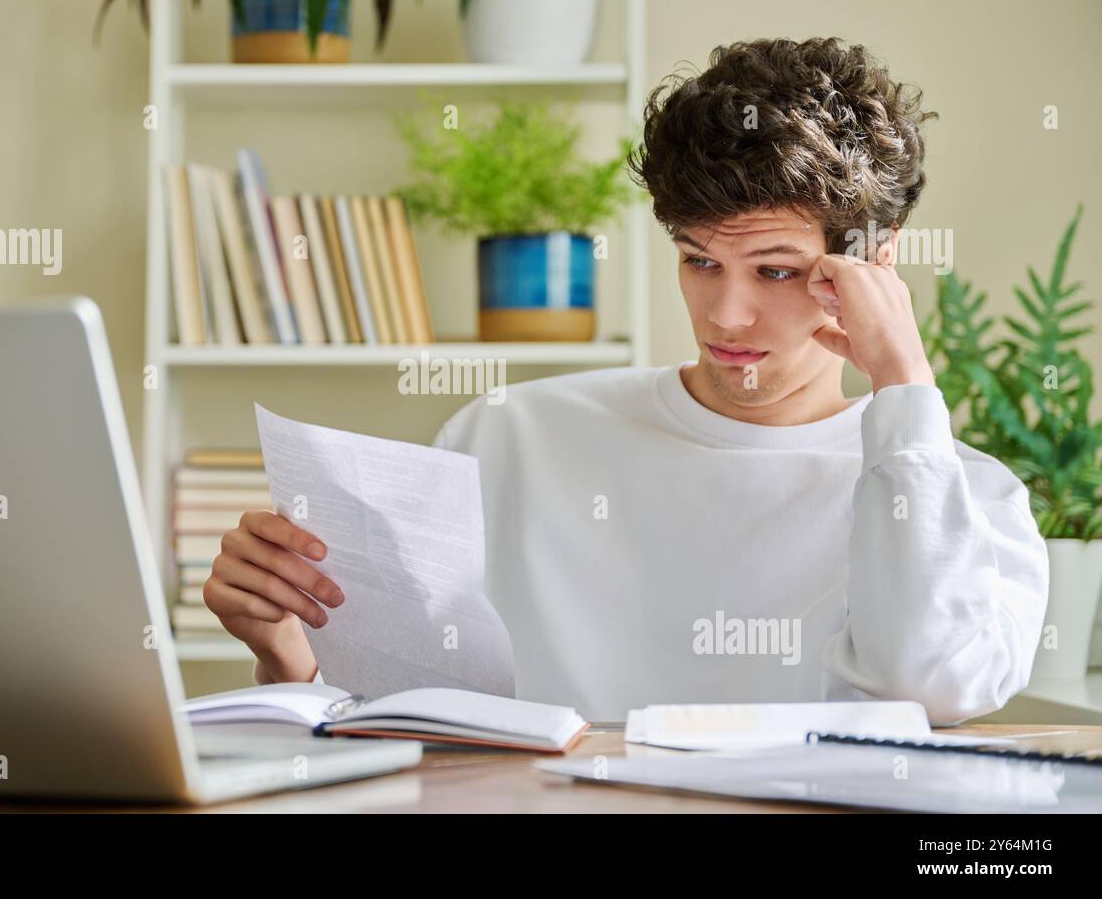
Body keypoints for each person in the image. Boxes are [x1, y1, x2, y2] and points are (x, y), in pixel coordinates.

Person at [202, 37, 1049, 723]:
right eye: (699, 261)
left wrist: (903, 383)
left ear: (876, 262)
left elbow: (925, 684)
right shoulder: (508, 434)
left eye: (778, 271)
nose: (726, 315)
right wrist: (289, 649)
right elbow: (404, 720)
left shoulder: (967, 500)